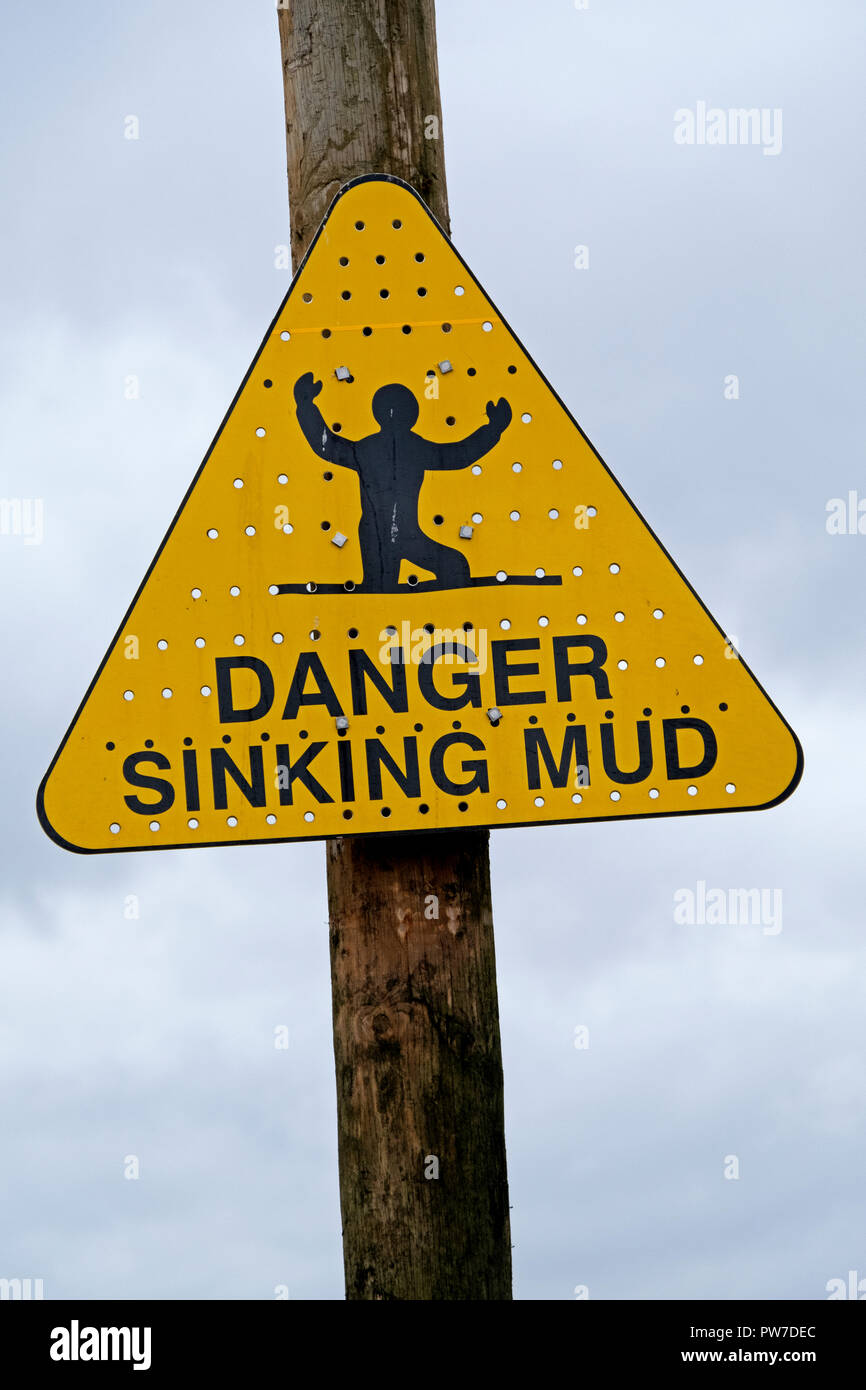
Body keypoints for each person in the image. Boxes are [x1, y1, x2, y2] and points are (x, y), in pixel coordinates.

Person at [293, 372, 512, 591]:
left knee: (451, 568)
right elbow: (459, 455)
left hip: (397, 534)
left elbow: (327, 445)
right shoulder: (394, 448)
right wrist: (494, 429)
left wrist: (305, 406)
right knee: (385, 588)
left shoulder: (380, 448)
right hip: (379, 535)